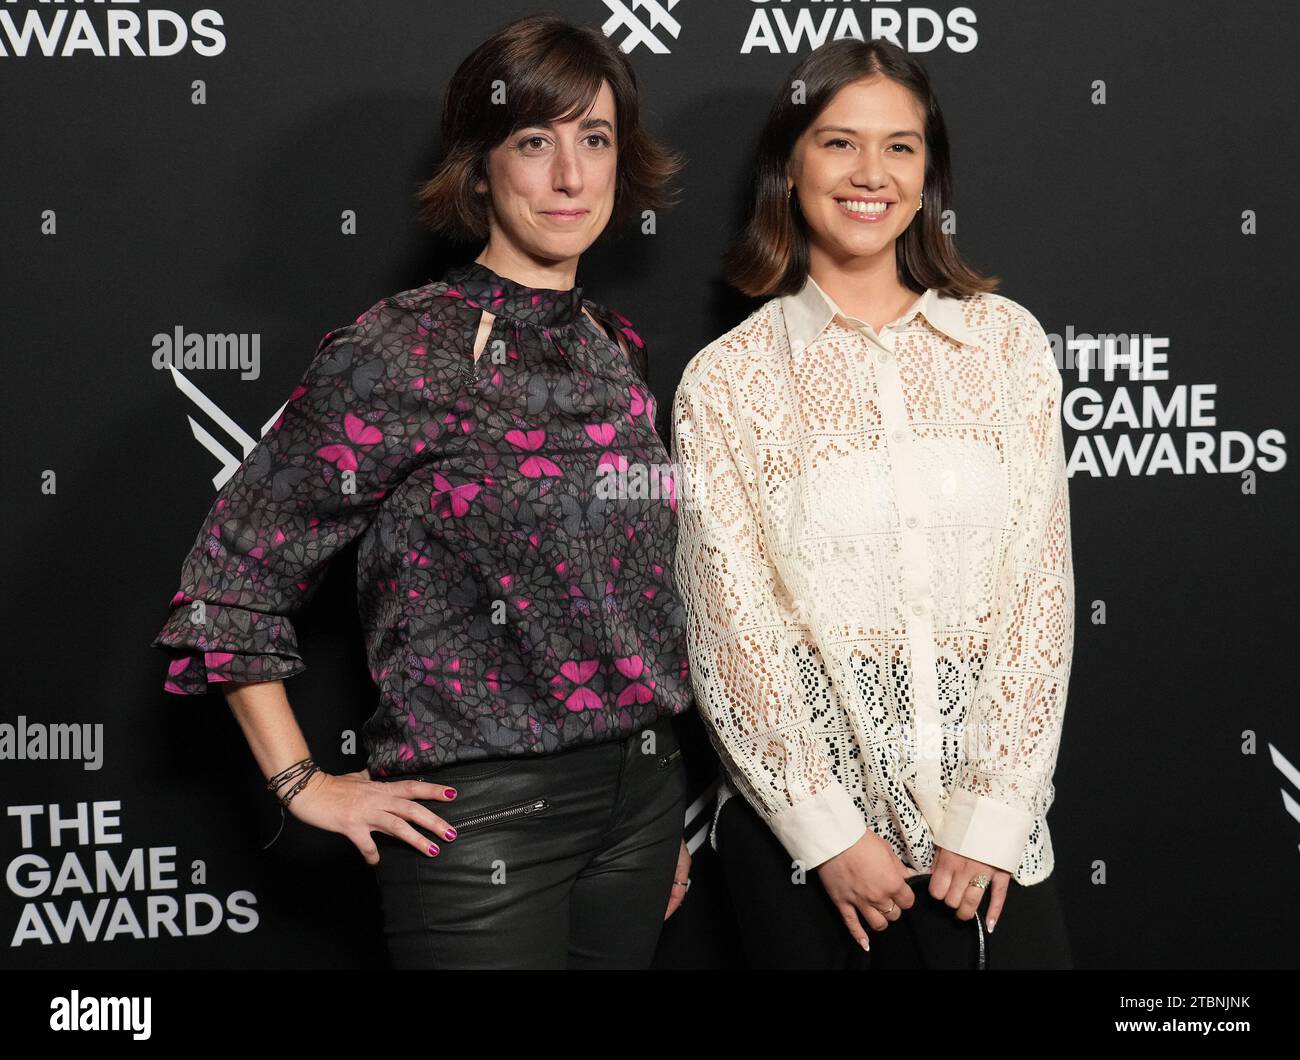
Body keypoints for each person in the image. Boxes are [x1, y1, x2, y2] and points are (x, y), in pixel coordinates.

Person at [151, 13, 694, 970]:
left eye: (594, 139)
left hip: (643, 811)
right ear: (480, 169)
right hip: (482, 828)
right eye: (535, 141)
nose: (571, 174)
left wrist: (647, 812)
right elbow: (230, 581)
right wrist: (302, 784)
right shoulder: (401, 350)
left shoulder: (616, 349)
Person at [671, 37, 1075, 970]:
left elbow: (1038, 596)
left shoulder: (1004, 345)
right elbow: (732, 634)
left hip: (988, 848)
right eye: (838, 142)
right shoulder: (727, 382)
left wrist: (995, 815)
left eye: (900, 146)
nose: (871, 174)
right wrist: (828, 835)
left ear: (929, 172)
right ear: (790, 164)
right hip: (808, 858)